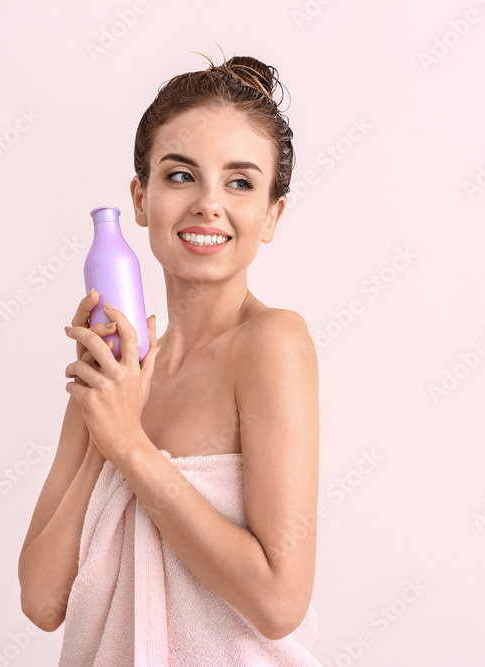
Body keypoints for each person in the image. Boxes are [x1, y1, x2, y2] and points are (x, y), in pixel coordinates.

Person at [17, 52, 320, 665]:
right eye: (181, 175)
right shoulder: (116, 368)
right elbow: (42, 600)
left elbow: (278, 602)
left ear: (271, 215)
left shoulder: (272, 344)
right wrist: (107, 424)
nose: (209, 204)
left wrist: (130, 447)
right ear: (140, 197)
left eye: (240, 182)